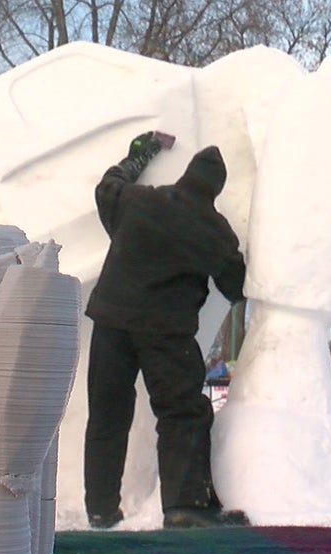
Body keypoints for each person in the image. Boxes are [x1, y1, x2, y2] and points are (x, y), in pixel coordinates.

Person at [83, 133, 248, 529]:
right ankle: (184, 506)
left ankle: (102, 509)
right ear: (215, 189)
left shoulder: (139, 201)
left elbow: (108, 185)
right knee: (181, 414)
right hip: (166, 333)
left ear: (187, 175)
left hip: (112, 322)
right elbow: (237, 286)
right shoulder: (214, 230)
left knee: (107, 416)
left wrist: (141, 151)